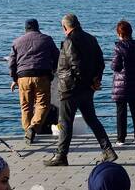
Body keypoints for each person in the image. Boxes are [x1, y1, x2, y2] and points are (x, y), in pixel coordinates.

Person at [45, 14, 115, 167]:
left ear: (65, 27)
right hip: (86, 89)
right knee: (92, 119)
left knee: (65, 122)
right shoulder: (91, 39)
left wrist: (86, 82)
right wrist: (96, 80)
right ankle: (108, 150)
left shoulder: (69, 41)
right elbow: (100, 62)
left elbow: (76, 66)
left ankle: (61, 155)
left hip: (70, 89)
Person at [9, 19, 59, 146]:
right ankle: (33, 128)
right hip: (42, 76)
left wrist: (14, 79)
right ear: (38, 27)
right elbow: (57, 57)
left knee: (25, 106)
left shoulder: (17, 41)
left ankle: (28, 132)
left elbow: (12, 63)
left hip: (23, 77)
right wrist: (52, 71)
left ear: (25, 28)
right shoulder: (47, 39)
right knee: (42, 105)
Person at [111, 20, 135, 145]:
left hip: (121, 85)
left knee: (121, 112)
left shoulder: (119, 47)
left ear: (119, 33)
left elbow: (115, 66)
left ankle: (121, 138)